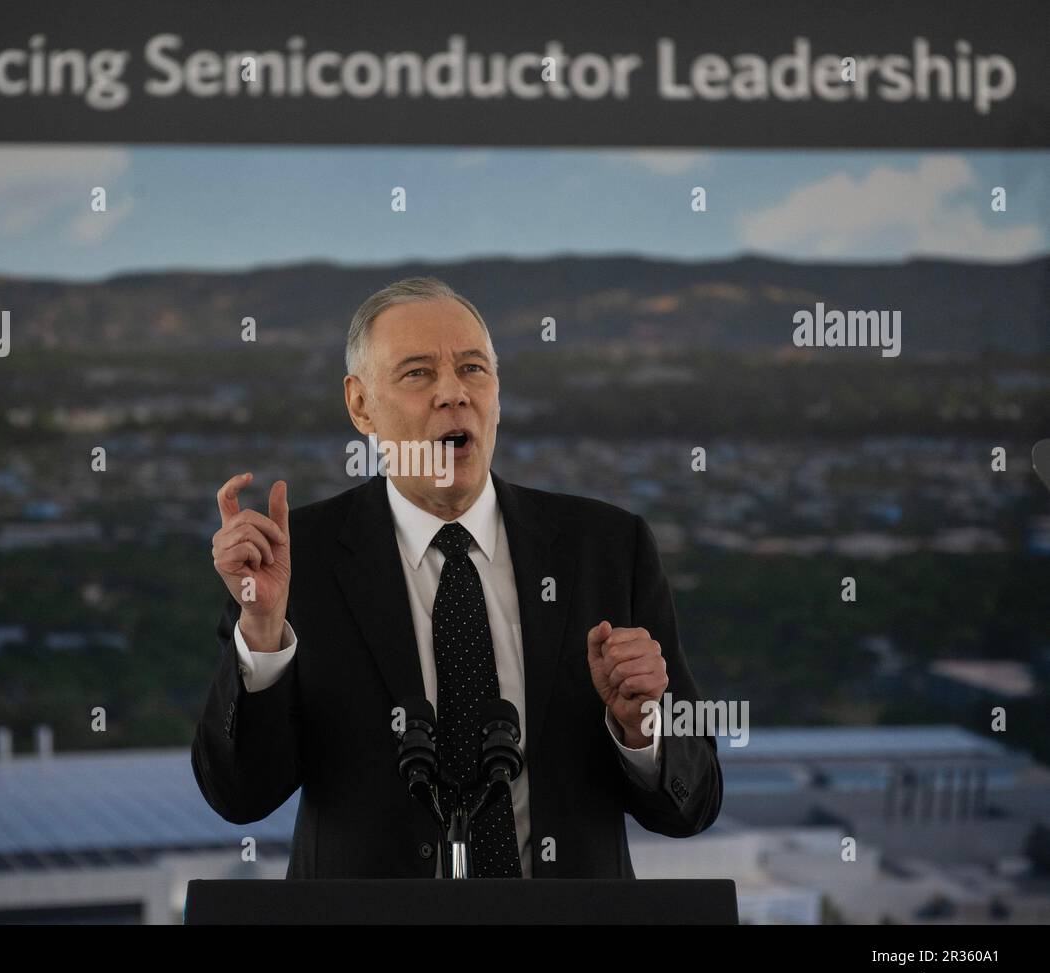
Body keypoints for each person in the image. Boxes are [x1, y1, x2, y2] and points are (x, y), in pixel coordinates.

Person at [192, 276, 722, 877]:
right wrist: (262, 633)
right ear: (360, 403)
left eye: (473, 368)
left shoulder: (607, 546)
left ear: (497, 393)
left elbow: (695, 802)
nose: (453, 393)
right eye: (418, 373)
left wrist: (640, 726)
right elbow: (239, 795)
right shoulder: (295, 559)